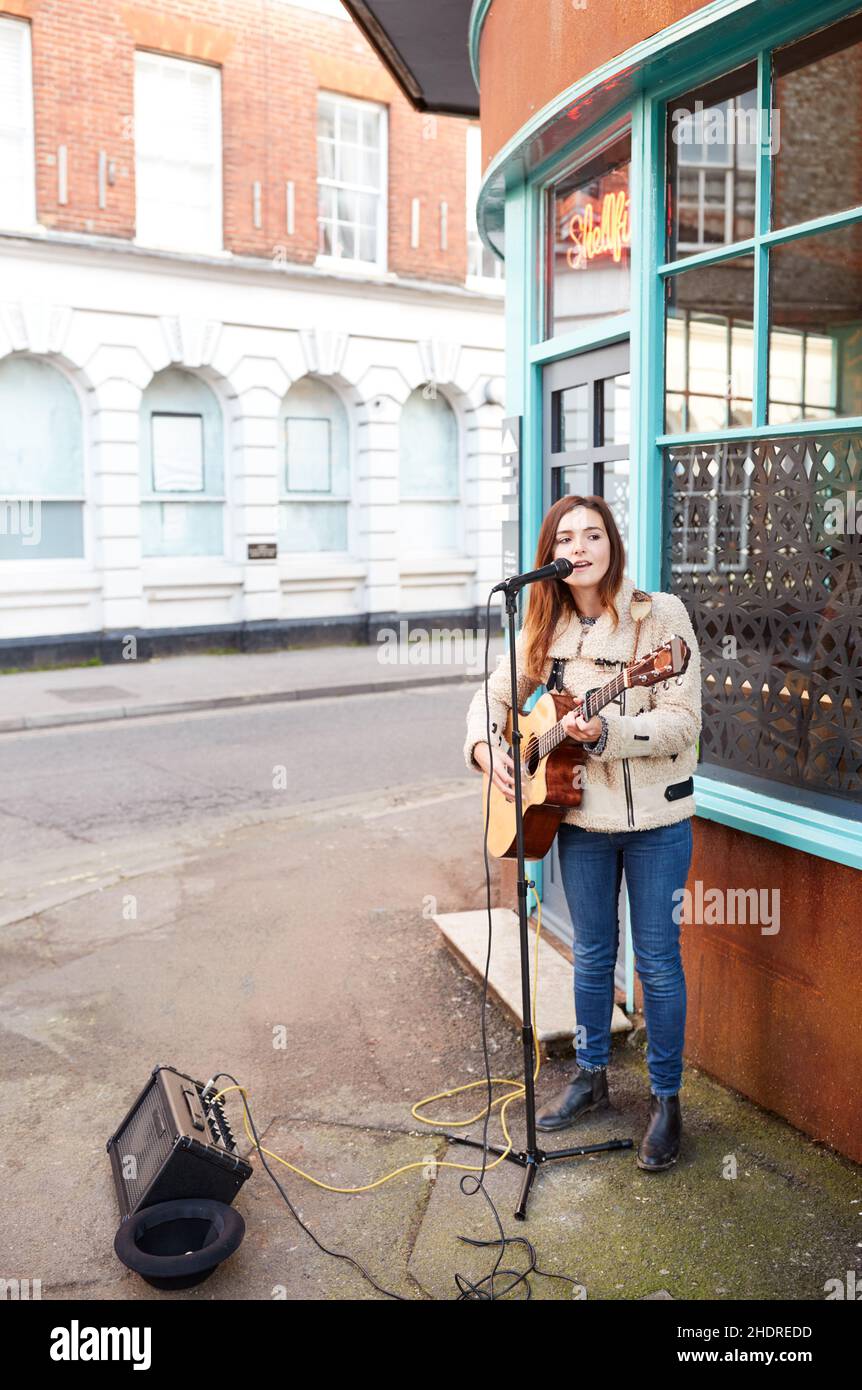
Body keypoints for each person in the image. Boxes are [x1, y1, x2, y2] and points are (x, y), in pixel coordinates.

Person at [463, 495, 702, 1171]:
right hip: (578, 820)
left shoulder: (660, 619)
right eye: (566, 537)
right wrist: (488, 750)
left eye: (593, 534)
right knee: (593, 954)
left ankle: (666, 1099)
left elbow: (686, 724)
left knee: (656, 962)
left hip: (658, 822)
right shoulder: (544, 623)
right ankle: (591, 1078)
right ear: (550, 556)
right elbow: (492, 697)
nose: (580, 546)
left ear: (612, 544)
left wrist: (610, 734)